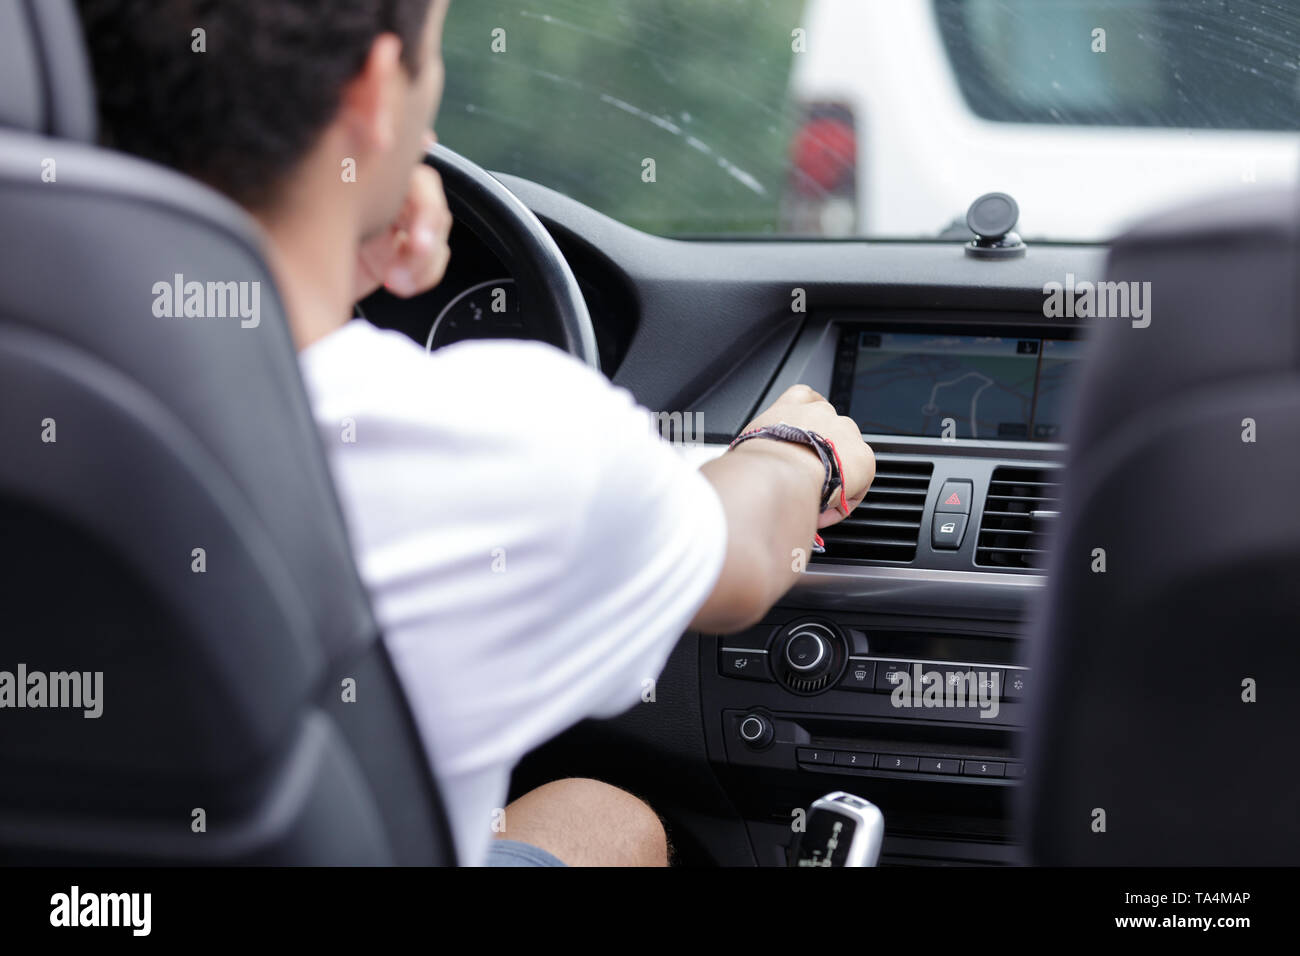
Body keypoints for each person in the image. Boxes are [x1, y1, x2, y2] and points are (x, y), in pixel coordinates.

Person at [74, 0, 875, 866]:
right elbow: (748, 556)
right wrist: (800, 449)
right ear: (377, 91)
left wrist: (337, 237)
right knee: (605, 818)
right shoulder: (514, 445)